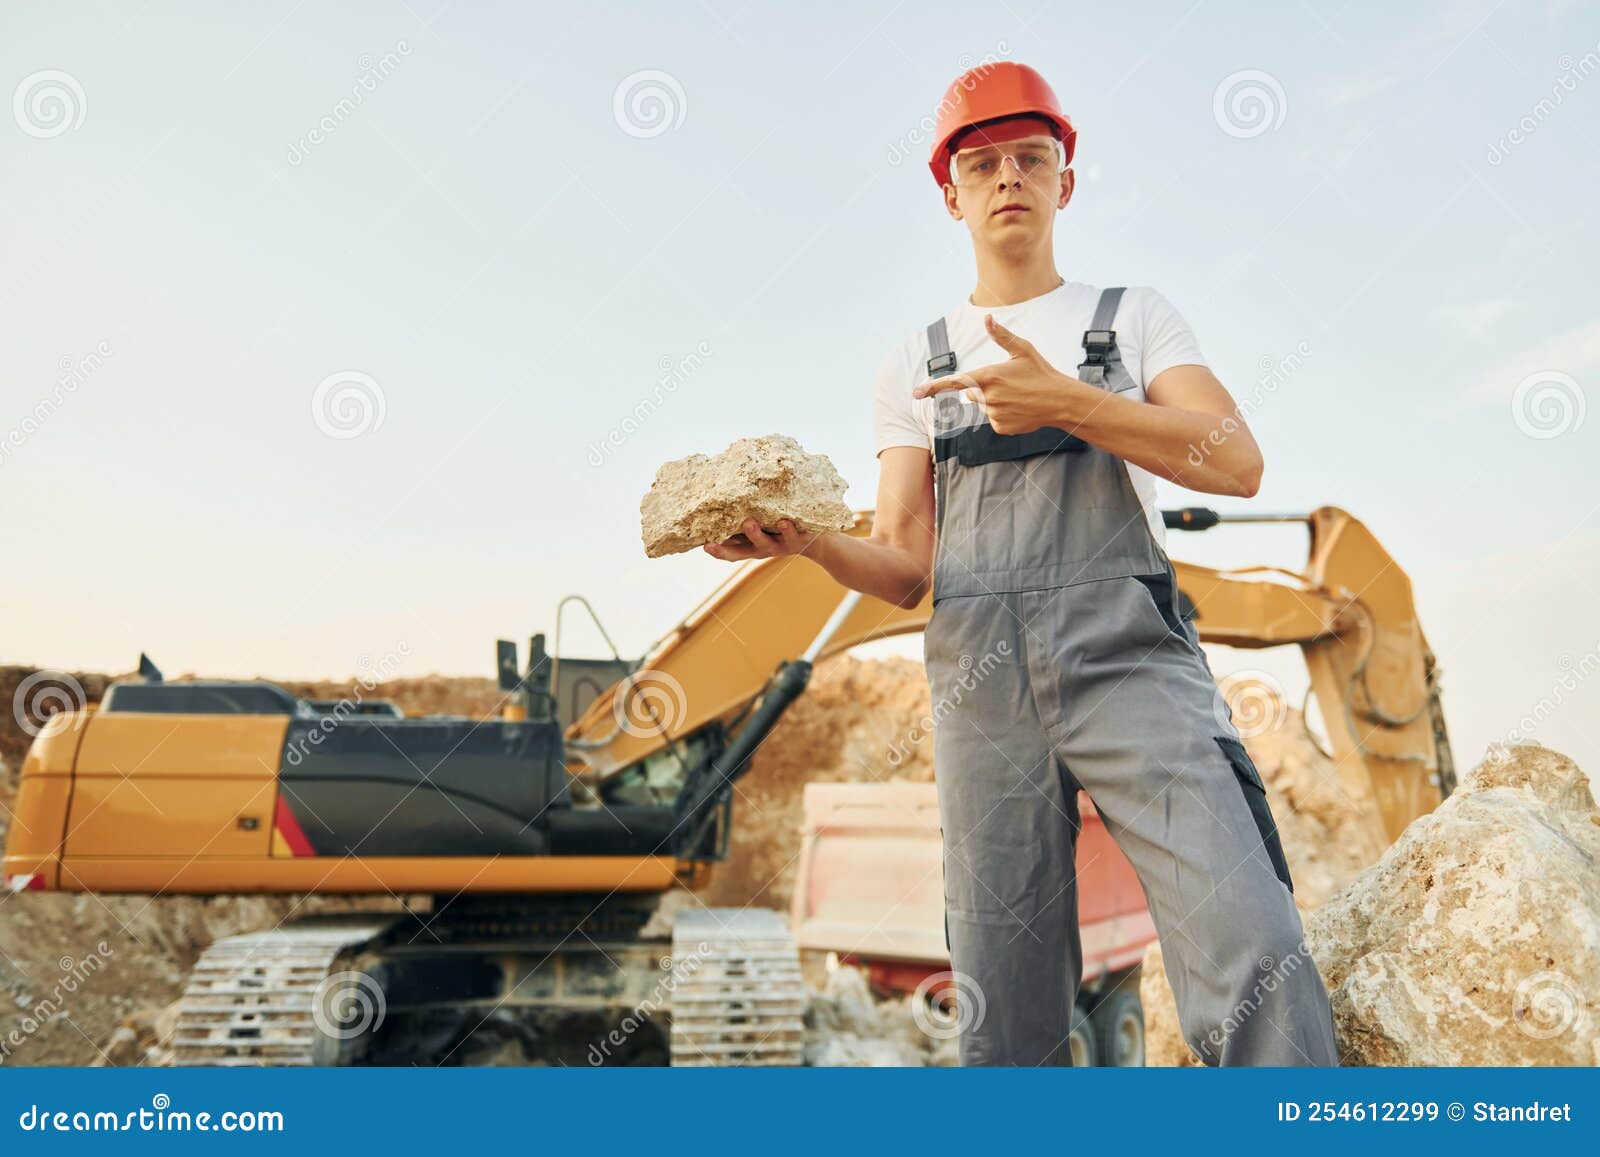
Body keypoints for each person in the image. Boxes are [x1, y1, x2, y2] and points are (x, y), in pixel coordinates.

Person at [704, 61, 1338, 1067]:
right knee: (1004, 999)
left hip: (1129, 665)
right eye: (982, 161)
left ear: (1064, 182)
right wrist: (811, 541)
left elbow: (1234, 456)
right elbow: (907, 564)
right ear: (948, 192)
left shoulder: (1132, 319)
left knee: (1249, 935)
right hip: (981, 691)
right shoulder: (914, 360)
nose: (1007, 177)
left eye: (1029, 158)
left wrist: (1070, 401)